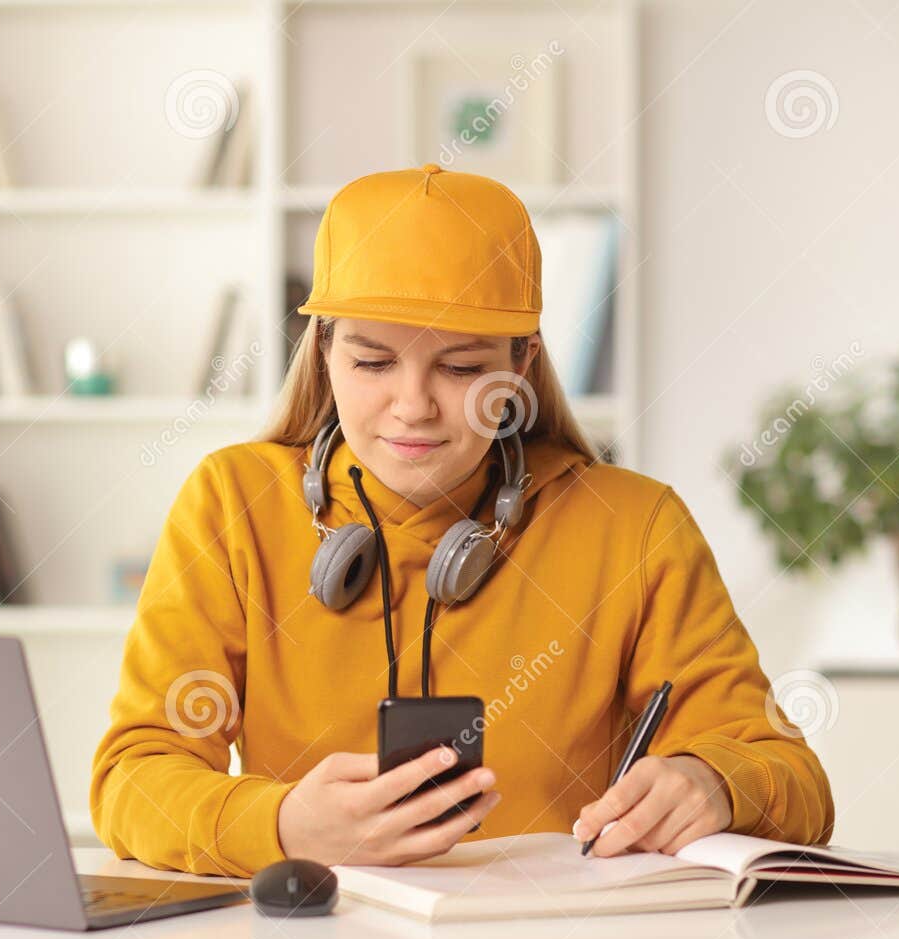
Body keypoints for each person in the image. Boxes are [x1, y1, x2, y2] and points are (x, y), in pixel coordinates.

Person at [91, 164, 834, 877]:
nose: (414, 406)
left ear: (522, 364)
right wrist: (283, 826)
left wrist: (715, 783)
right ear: (322, 353)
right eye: (373, 362)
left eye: (462, 368)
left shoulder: (634, 526)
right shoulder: (232, 502)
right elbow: (131, 778)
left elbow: (795, 780)